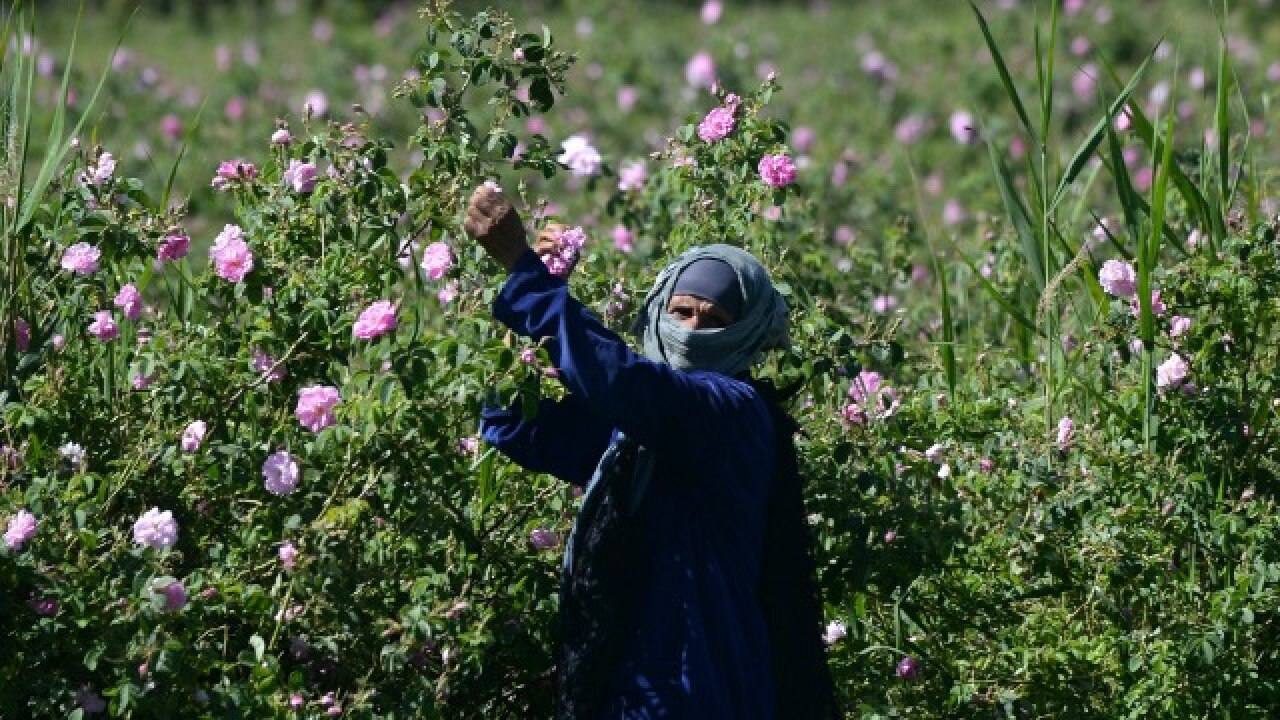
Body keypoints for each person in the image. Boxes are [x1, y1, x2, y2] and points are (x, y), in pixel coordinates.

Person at [464, 183, 837, 719]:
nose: (691, 332)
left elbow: (621, 380)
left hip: (702, 689)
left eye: (714, 321)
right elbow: (512, 424)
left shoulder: (730, 411)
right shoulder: (637, 433)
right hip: (633, 688)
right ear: (659, 310)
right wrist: (531, 299)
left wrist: (526, 276)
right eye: (682, 312)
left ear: (749, 332)